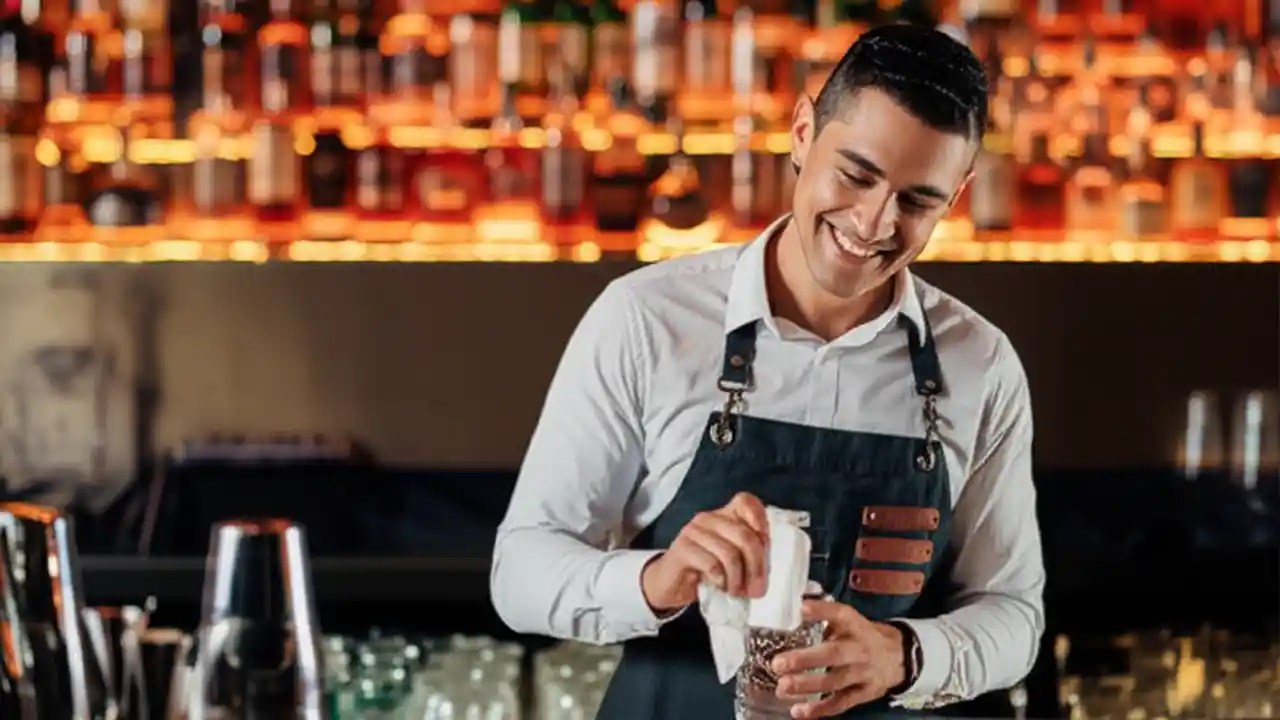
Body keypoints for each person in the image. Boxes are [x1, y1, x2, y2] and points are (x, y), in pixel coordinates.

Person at [491, 22, 1045, 719]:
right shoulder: (646, 320)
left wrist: (901, 656)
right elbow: (520, 575)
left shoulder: (980, 364)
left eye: (917, 201)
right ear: (803, 131)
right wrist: (662, 579)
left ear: (957, 196)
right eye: (857, 174)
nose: (874, 223)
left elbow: (1014, 614)